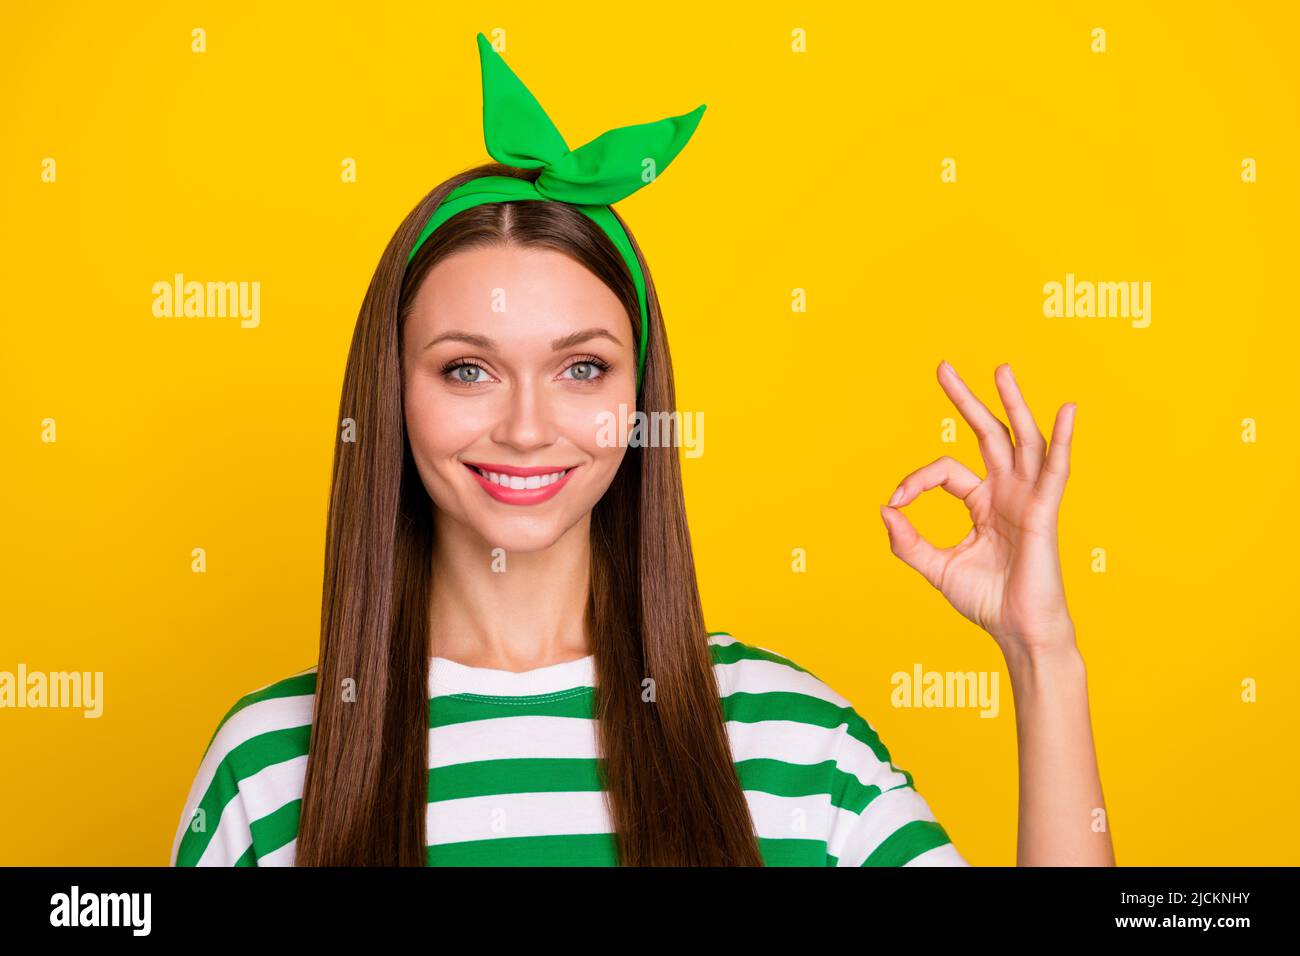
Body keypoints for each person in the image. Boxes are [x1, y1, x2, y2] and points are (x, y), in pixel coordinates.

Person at [170, 32, 1113, 868]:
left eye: (582, 369)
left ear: (639, 399)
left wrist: (1042, 650)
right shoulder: (267, 771)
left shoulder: (794, 748)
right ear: (393, 394)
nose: (529, 426)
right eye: (468, 370)